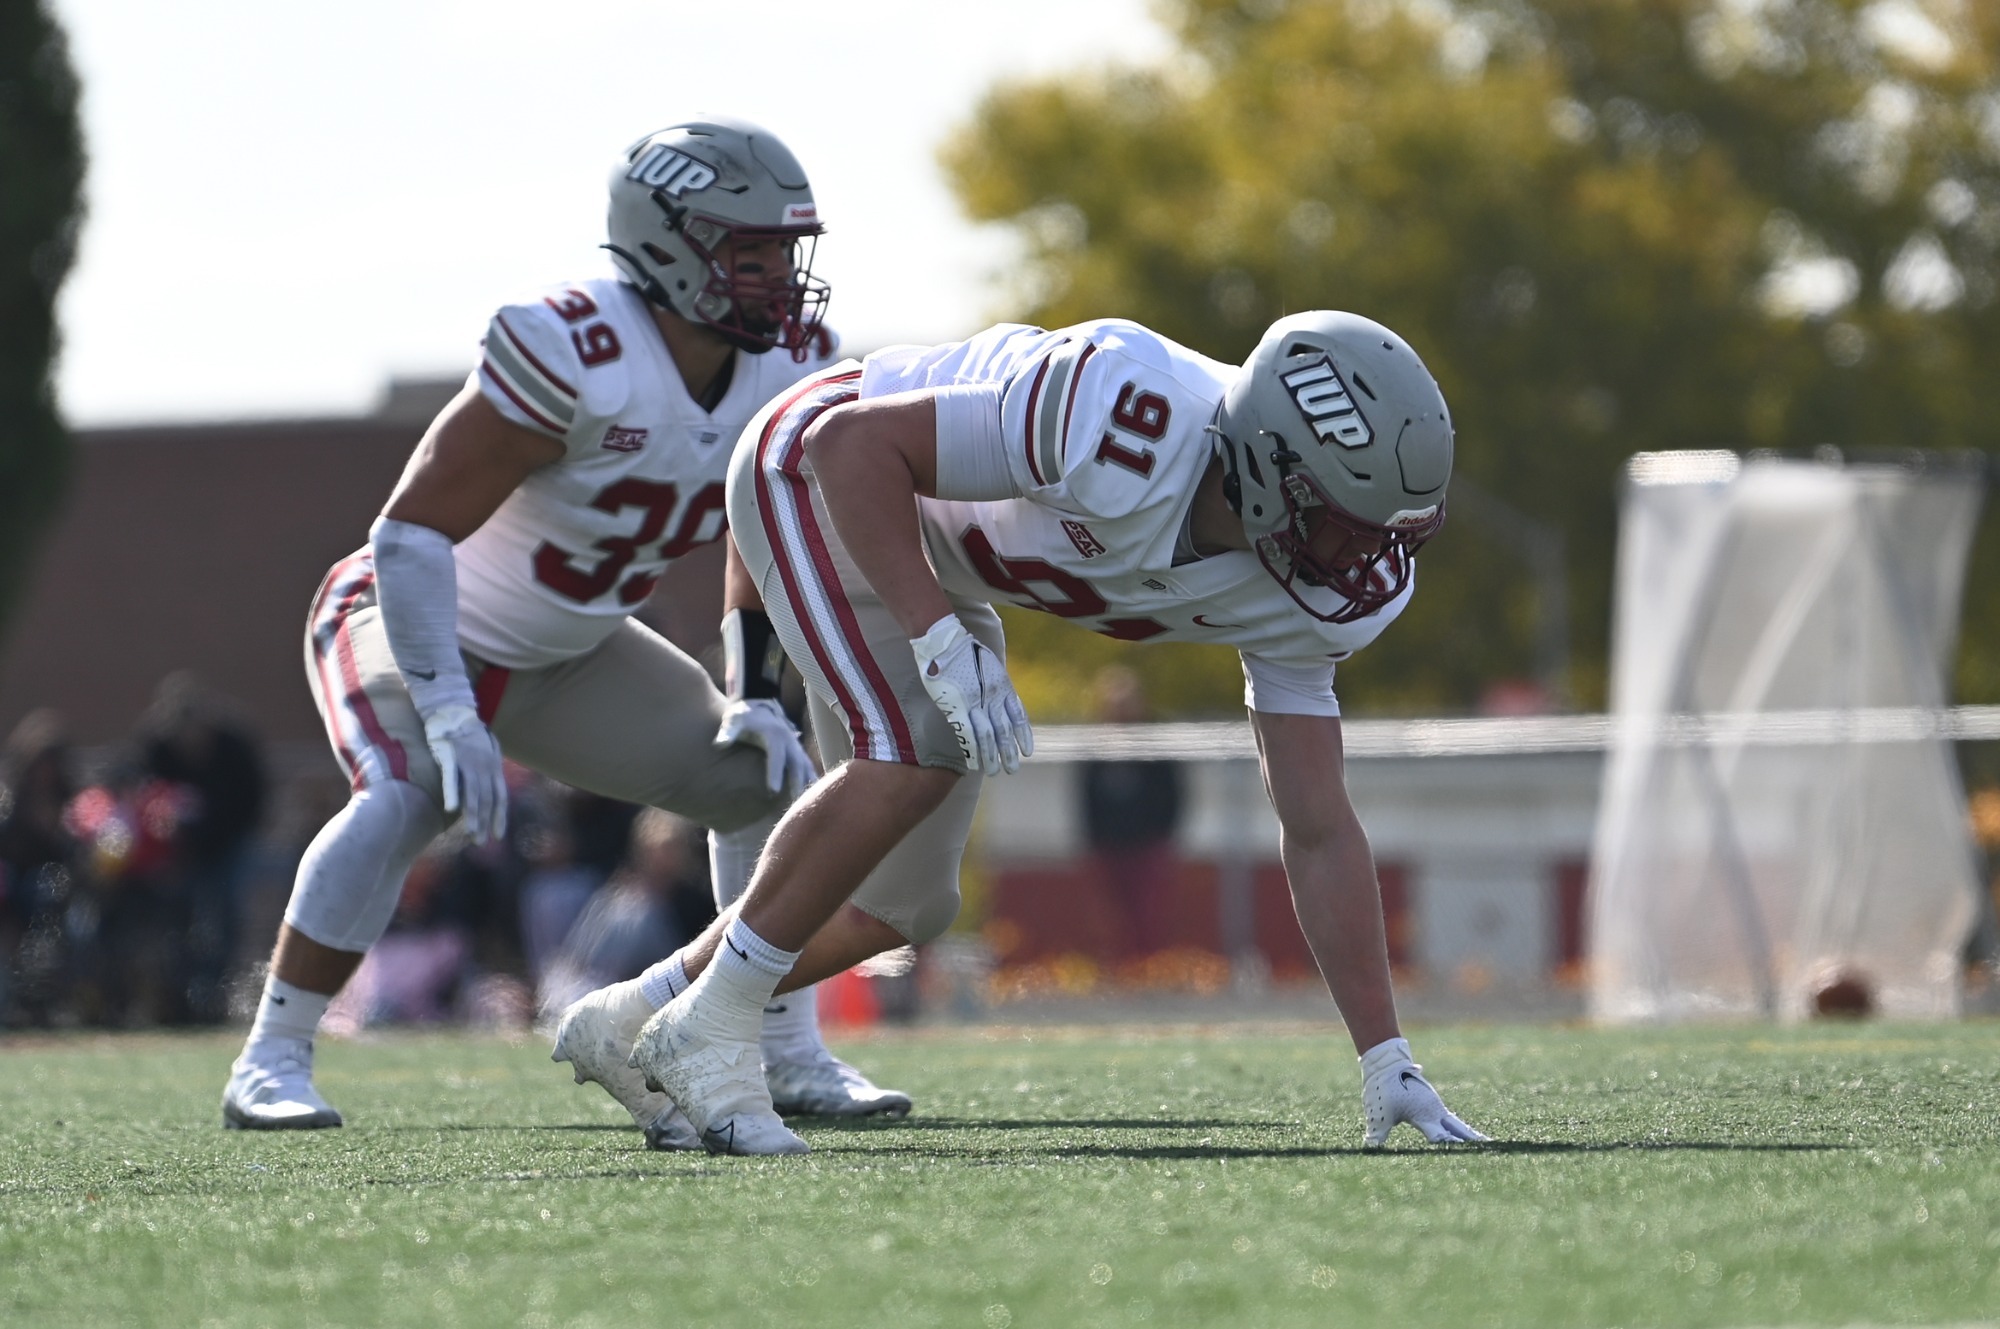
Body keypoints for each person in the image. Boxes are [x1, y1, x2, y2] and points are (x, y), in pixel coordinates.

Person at [610, 308, 1489, 1153]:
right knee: (915, 749)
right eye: (1345, 527)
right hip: (817, 466)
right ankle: (711, 1032)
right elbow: (851, 444)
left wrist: (1386, 1056)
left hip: (927, 558)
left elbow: (1319, 824)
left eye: (1390, 536)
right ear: (1265, 468)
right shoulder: (1121, 409)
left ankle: (635, 1016)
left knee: (906, 906)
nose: (1367, 565)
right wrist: (934, 638)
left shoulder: (1327, 586)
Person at [220, 115, 908, 1140]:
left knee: (765, 781)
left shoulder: (786, 364)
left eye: (783, 252)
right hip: (415, 617)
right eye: (748, 251)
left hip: (574, 644)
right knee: (405, 798)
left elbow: (763, 528)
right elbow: (409, 533)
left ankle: (780, 1048)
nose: (776, 277)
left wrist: (757, 689)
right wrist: (447, 705)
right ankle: (270, 1057)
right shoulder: (575, 350)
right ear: (668, 242)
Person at [1077, 665, 1182, 961]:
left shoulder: (1156, 745)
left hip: (1148, 846)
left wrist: (1161, 836)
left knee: (1149, 916)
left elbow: (1173, 797)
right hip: (1108, 847)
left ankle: (1148, 973)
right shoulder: (1095, 748)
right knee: (1110, 919)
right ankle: (1117, 977)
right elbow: (1085, 801)